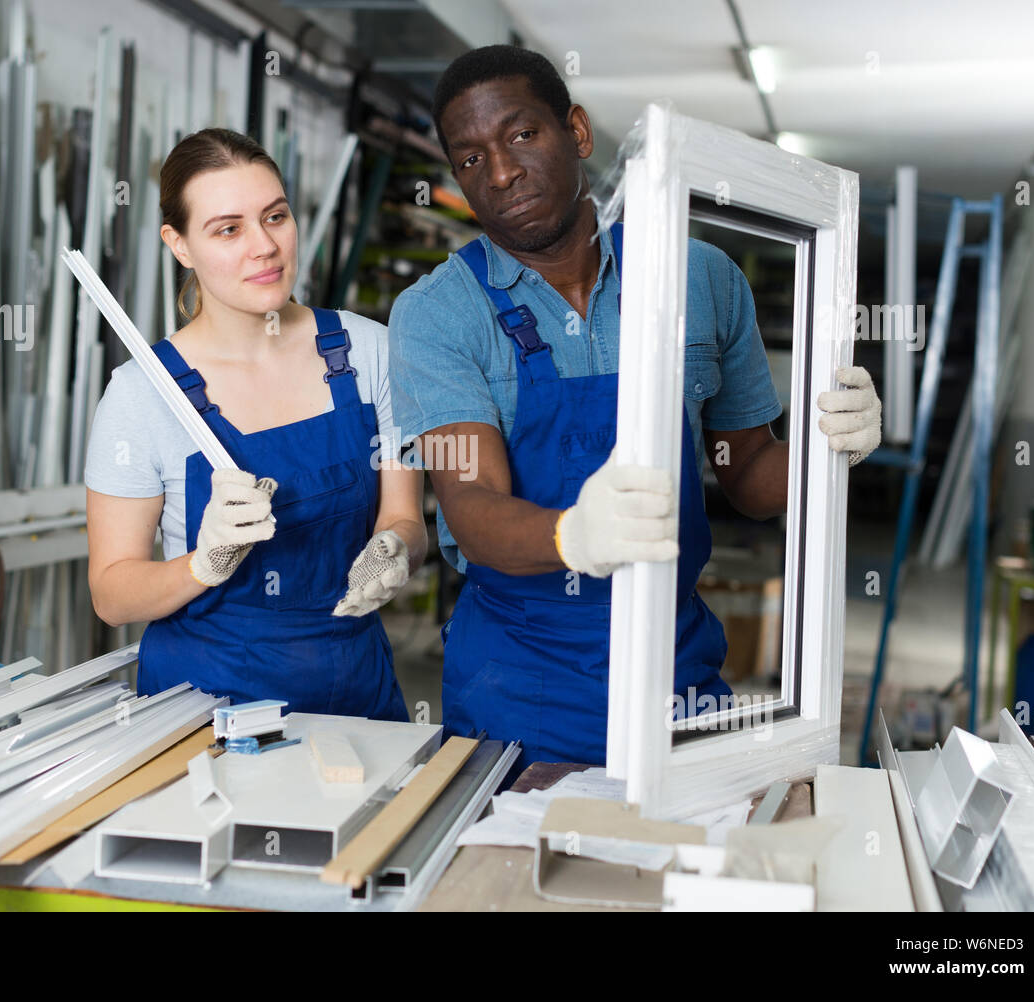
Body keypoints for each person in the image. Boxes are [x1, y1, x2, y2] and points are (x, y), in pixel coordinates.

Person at [388, 46, 881, 768]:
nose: (499, 173)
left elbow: (748, 477)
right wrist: (576, 536)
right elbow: (473, 507)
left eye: (521, 135)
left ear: (577, 133)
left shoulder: (701, 279)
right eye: (469, 159)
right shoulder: (436, 314)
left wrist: (829, 447)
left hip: (675, 678)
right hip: (519, 690)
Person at [85, 128, 425, 720]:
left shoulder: (369, 353)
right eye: (228, 229)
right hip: (201, 713)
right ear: (180, 244)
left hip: (356, 697)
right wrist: (202, 563)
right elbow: (112, 594)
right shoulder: (143, 395)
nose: (265, 246)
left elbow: (404, 517)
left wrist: (397, 548)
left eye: (276, 216)